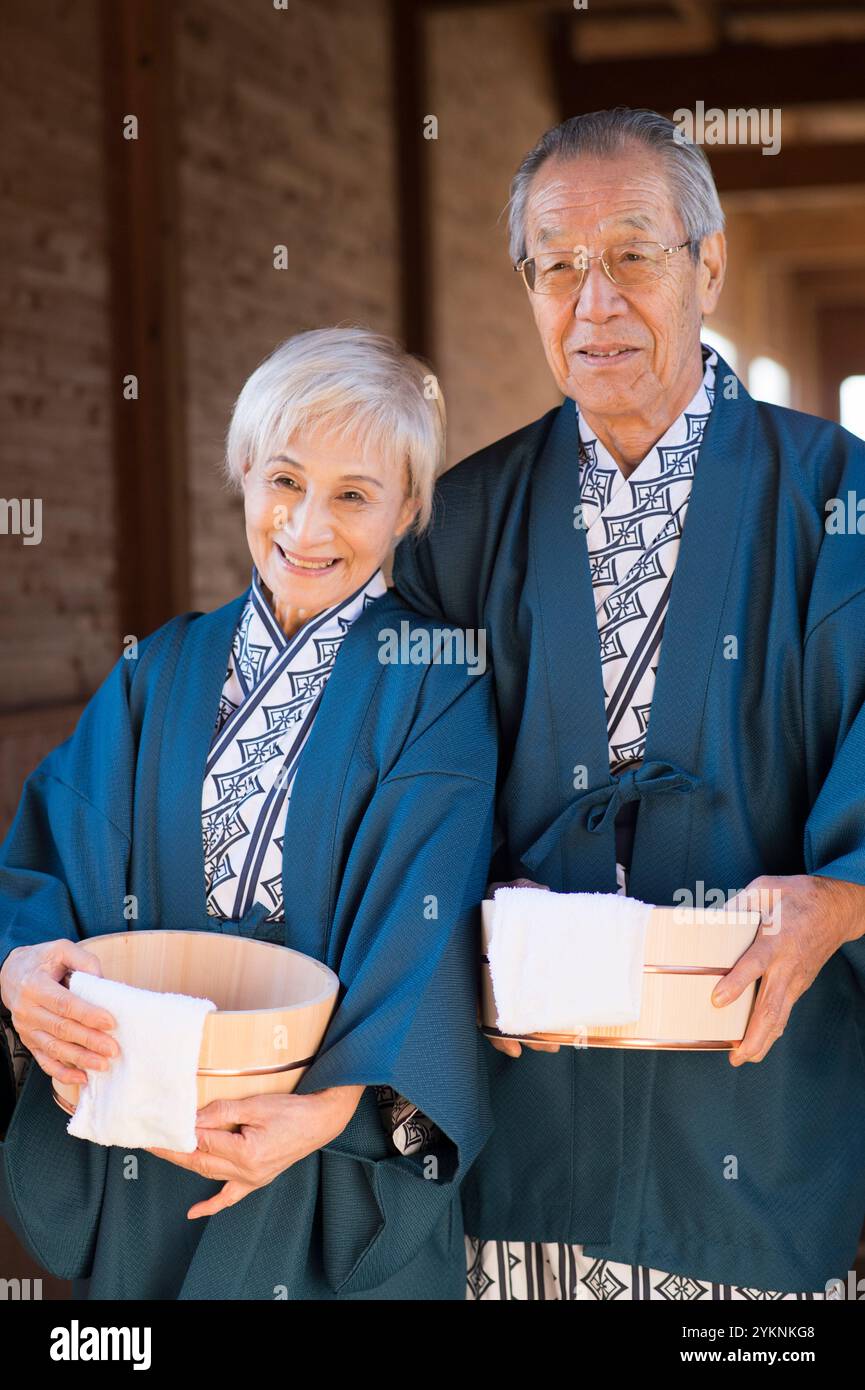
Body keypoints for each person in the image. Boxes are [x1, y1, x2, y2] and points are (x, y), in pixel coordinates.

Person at [393, 108, 865, 1301]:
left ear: (708, 265)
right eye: (556, 264)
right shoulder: (461, 521)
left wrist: (844, 895)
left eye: (632, 254)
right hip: (530, 1124)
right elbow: (399, 779)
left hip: (751, 1114)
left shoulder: (834, 496)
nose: (591, 299)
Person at [0, 326, 497, 1300]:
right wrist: (27, 969)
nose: (307, 525)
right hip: (150, 1124)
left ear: (406, 511)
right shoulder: (164, 666)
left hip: (324, 1148)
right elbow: (51, 852)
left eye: (353, 494)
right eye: (283, 480)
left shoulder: (435, 680)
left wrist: (333, 1102)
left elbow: (427, 917)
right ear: (242, 472)